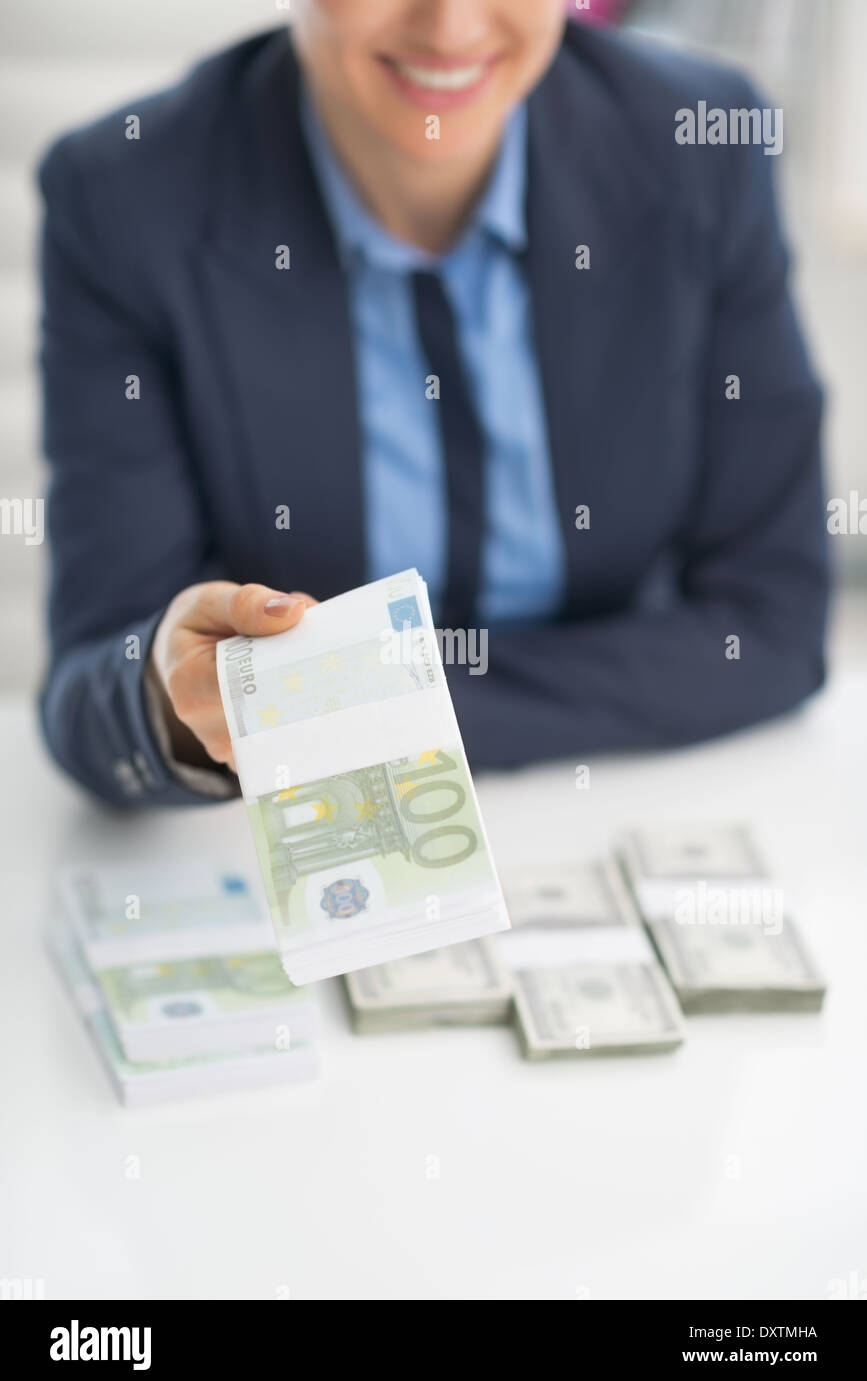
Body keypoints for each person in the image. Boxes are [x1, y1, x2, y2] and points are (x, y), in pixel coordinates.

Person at [37, 0, 828, 807]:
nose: (449, 27)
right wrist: (174, 710)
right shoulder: (122, 198)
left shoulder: (704, 141)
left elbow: (767, 629)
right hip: (268, 835)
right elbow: (90, 693)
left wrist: (329, 710)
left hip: (626, 799)